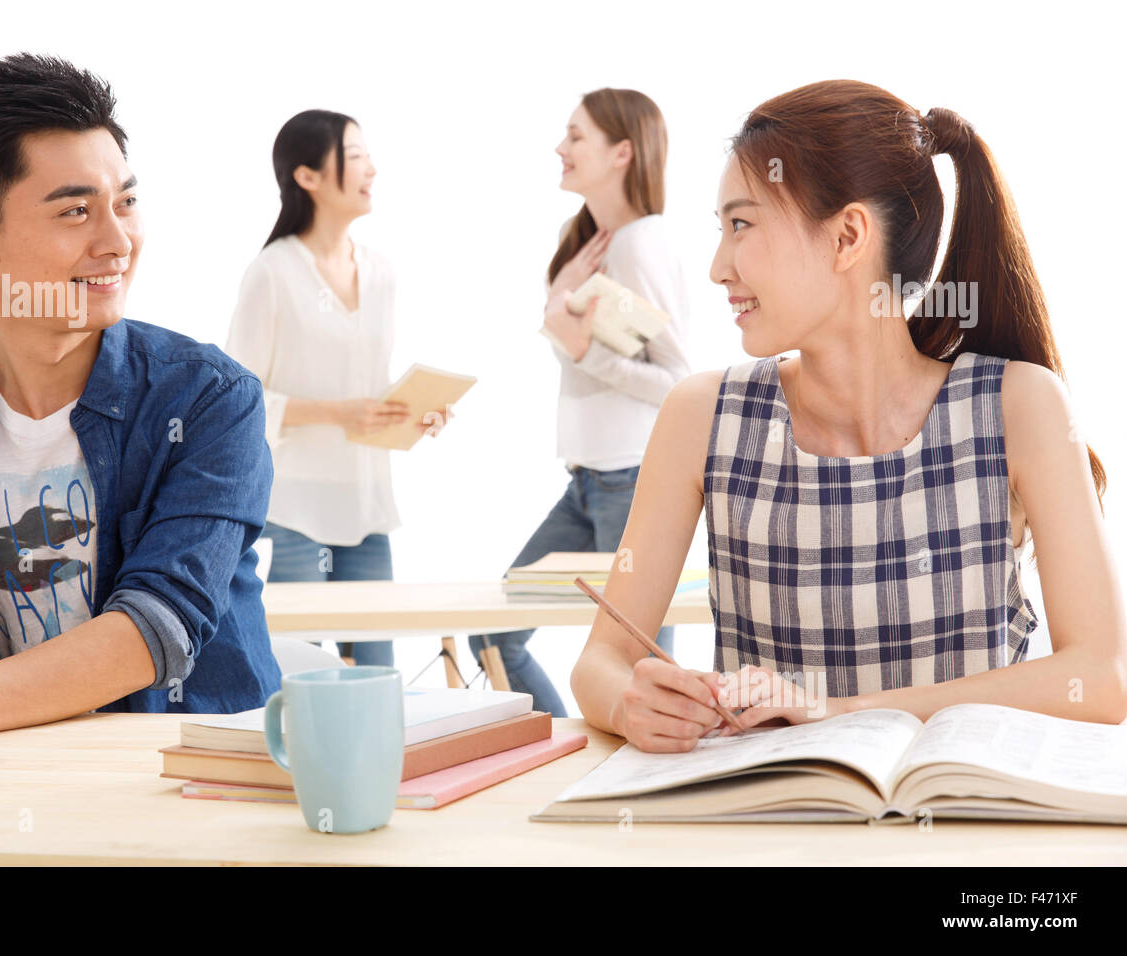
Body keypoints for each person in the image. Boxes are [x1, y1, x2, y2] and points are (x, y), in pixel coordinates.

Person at [572, 79, 1127, 752]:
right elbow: (599, 665)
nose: (720, 267)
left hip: (964, 834)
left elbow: (1100, 677)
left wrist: (838, 711)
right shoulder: (701, 416)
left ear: (847, 237)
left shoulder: (1021, 407)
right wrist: (631, 703)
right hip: (773, 832)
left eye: (742, 225)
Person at [0, 53, 281, 745]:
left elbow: (153, 632)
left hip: (205, 783)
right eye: (76, 211)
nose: (118, 241)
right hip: (24, 788)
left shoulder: (211, 401)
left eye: (126, 202)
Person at [467, 89, 692, 717]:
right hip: (587, 481)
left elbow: (679, 379)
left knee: (643, 664)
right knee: (493, 633)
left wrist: (578, 345)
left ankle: (646, 788)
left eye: (575, 136)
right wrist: (560, 312)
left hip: (631, 481)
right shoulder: (583, 238)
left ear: (622, 152)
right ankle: (561, 751)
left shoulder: (639, 243)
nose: (560, 149)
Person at [225, 110, 450, 668]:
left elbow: (367, 391)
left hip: (368, 505)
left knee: (378, 674)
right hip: (298, 510)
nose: (371, 168)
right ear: (308, 177)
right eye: (354, 156)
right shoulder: (273, 273)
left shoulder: (381, 273)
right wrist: (335, 413)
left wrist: (413, 413)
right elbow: (235, 404)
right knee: (298, 675)